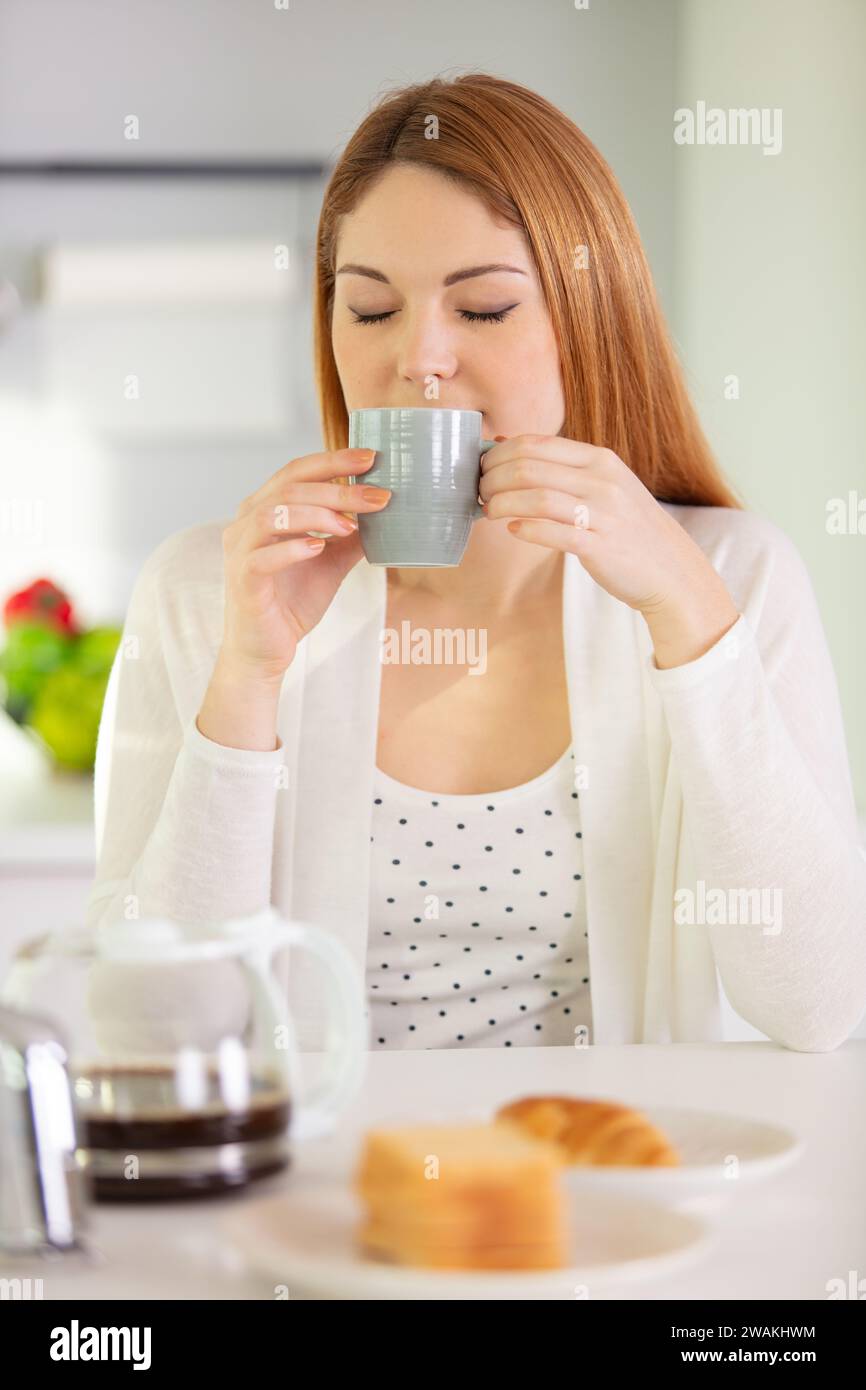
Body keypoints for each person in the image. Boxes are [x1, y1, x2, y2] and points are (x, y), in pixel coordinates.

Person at [86, 73, 866, 1052]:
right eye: (368, 310)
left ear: (591, 321)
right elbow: (152, 1035)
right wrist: (245, 681)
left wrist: (690, 623)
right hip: (321, 1202)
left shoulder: (727, 577)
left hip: (605, 1188)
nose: (419, 358)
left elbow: (819, 1005)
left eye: (485, 308)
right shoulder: (210, 591)